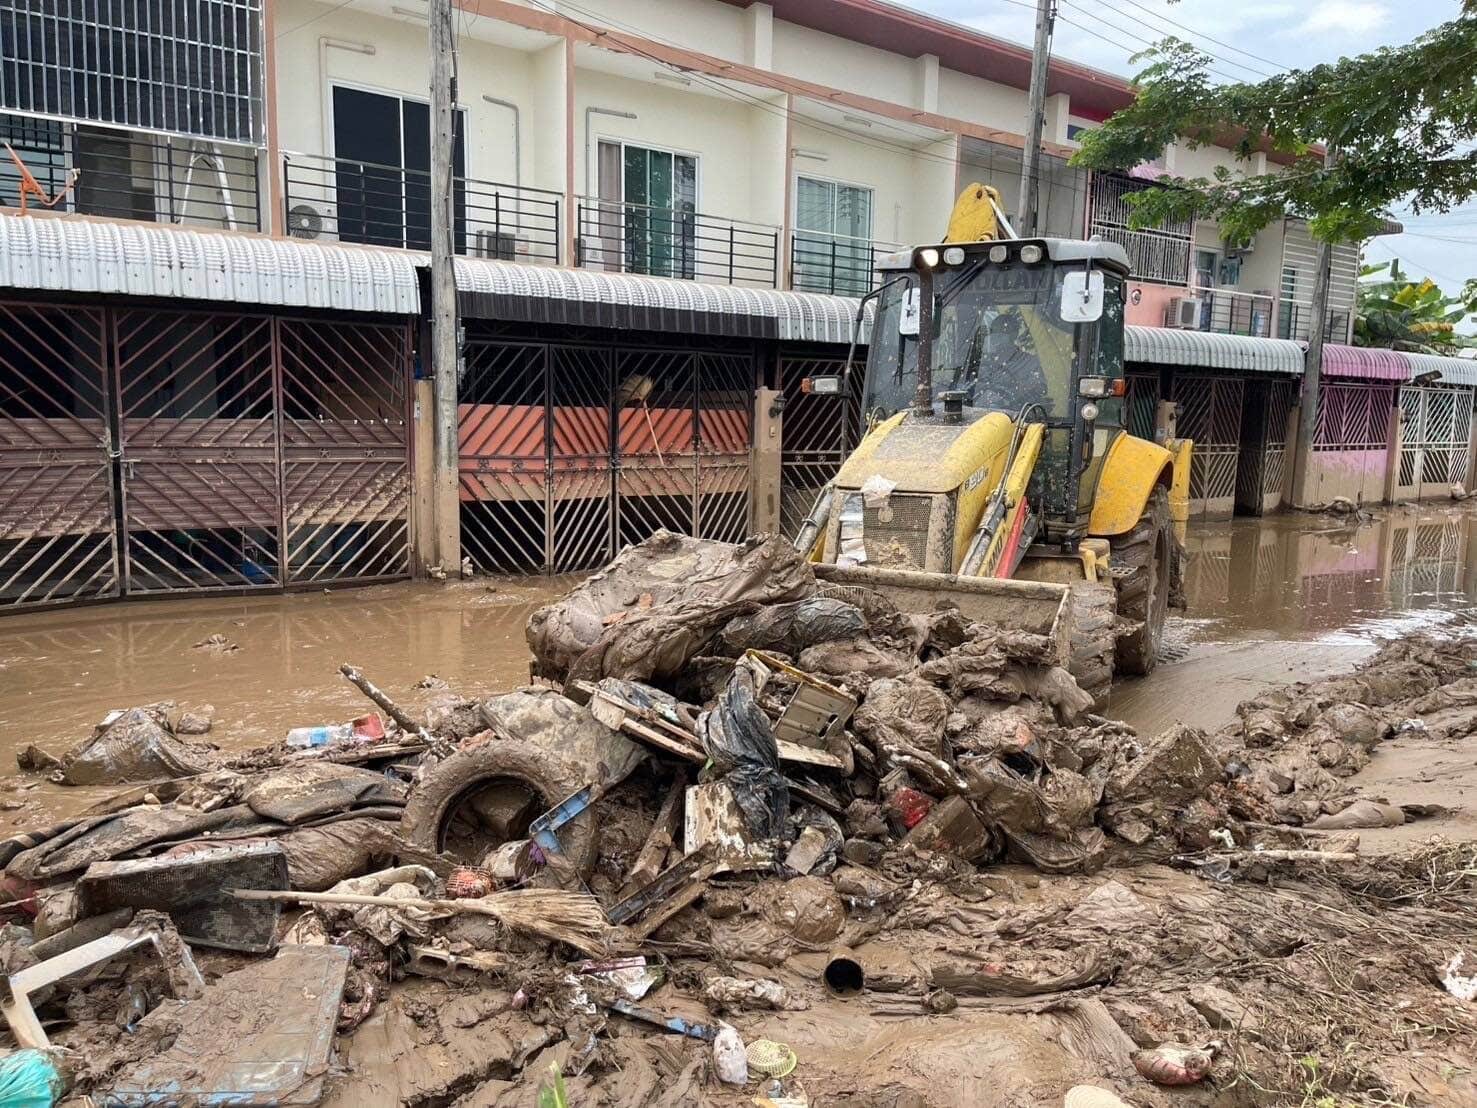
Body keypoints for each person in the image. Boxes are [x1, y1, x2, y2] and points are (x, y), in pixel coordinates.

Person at [974, 312, 1048, 412]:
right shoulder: (982, 363)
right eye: (993, 332)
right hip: (980, 417)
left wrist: (1016, 388)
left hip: (1018, 418)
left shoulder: (1029, 363)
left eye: (1002, 332)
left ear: (1014, 334)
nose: (996, 336)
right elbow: (972, 387)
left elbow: (1040, 389)